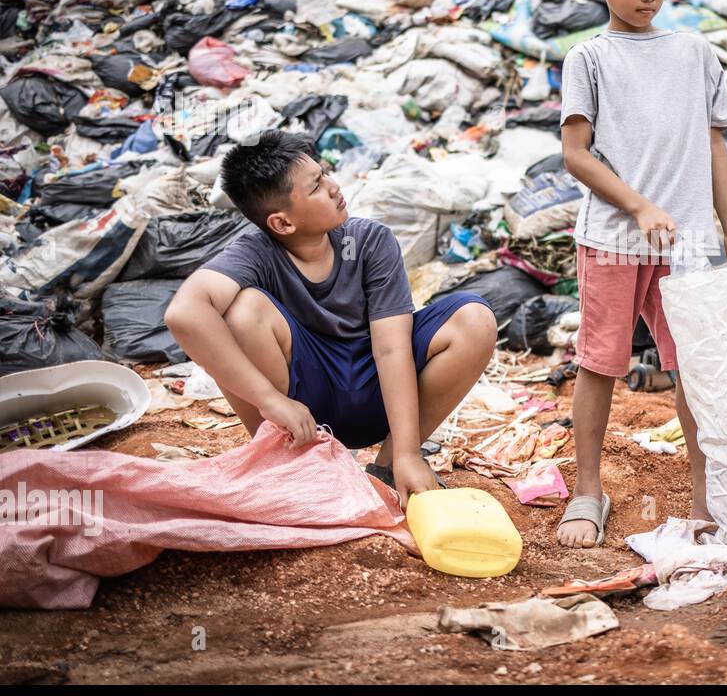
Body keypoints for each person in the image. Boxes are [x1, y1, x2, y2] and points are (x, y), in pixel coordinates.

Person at [165, 131, 497, 508]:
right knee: (242, 311)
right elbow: (185, 314)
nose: (334, 186)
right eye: (316, 186)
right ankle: (288, 464)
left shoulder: (370, 241)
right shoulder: (254, 254)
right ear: (282, 224)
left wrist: (407, 453)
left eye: (324, 173)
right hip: (304, 412)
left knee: (474, 318)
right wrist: (269, 400)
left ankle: (389, 467)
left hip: (379, 396)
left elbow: (391, 350)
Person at [556, 0, 727, 548]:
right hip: (613, 239)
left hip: (687, 240)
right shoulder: (589, 58)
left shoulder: (694, 54)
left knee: (692, 366)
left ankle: (705, 497)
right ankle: (589, 491)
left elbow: (714, 143)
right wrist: (639, 206)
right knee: (599, 363)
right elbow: (576, 155)